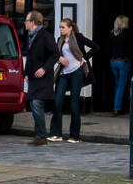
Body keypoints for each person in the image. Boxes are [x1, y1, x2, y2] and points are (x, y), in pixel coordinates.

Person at [49, 18, 89, 143]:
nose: (61, 29)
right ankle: (56, 134)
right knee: (57, 101)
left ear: (70, 28)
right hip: (64, 73)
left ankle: (74, 135)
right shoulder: (60, 40)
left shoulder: (77, 37)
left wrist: (84, 59)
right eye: (60, 27)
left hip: (76, 72)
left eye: (63, 27)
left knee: (74, 104)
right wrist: (59, 58)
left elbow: (95, 47)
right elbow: (55, 54)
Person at [23, 11, 59, 146]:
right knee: (33, 104)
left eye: (27, 20)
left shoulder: (45, 36)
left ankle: (41, 136)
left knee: (37, 104)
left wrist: (44, 68)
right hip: (33, 77)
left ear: (33, 22)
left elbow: (55, 54)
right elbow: (31, 57)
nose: (25, 23)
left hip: (43, 77)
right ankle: (39, 135)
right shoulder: (31, 36)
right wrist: (26, 73)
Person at [109, 15, 133, 115]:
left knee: (118, 84)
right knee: (122, 85)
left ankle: (116, 106)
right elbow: (129, 47)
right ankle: (118, 108)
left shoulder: (111, 34)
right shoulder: (125, 34)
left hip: (113, 62)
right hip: (123, 62)